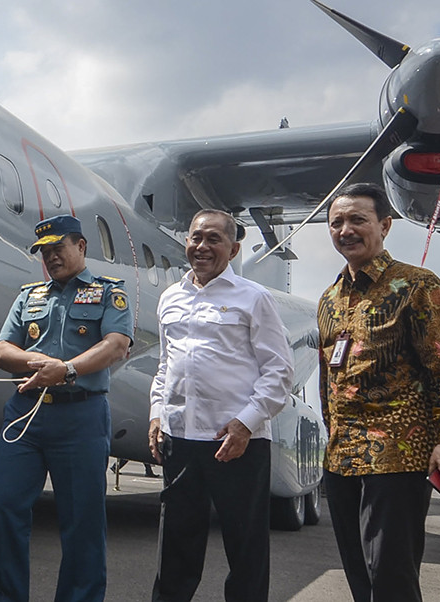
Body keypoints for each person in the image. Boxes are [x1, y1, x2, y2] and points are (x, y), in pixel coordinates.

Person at [318, 182, 440, 602]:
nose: (345, 230)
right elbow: (326, 379)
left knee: (391, 574)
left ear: (385, 225)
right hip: (342, 456)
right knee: (358, 574)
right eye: (336, 223)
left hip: (398, 454)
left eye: (357, 220)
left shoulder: (418, 285)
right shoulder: (329, 299)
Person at [0, 215, 133, 602]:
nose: (50, 258)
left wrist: (66, 369)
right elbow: (2, 350)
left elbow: (117, 344)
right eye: (44, 252)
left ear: (81, 246)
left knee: (82, 522)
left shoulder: (108, 294)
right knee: (4, 508)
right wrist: (37, 363)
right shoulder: (30, 295)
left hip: (81, 415)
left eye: (58, 249)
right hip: (25, 413)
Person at [148, 209, 294, 602]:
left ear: (233, 249)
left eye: (214, 239)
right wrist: (157, 414)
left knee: (245, 549)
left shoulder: (253, 298)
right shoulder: (170, 298)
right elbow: (166, 366)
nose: (202, 247)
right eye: (196, 237)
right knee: (176, 546)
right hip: (181, 439)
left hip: (237, 441)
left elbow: (279, 372)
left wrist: (245, 424)